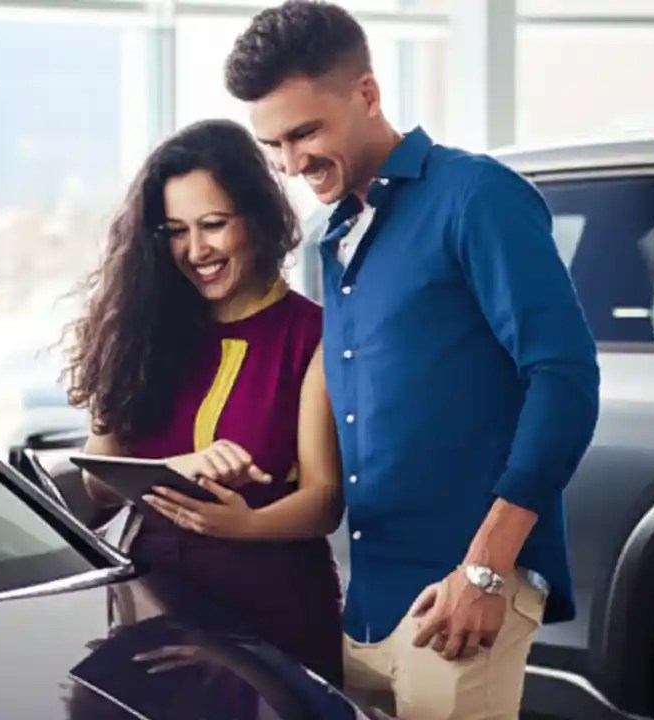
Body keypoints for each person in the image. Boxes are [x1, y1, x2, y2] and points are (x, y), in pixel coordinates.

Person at [224, 2, 602, 717]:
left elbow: (565, 376)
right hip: (363, 597)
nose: (291, 163)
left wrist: (486, 570)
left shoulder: (476, 195)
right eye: (273, 145)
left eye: (305, 132)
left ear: (367, 94)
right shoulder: (331, 237)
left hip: (460, 592)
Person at [63, 118, 346, 689]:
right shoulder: (140, 330)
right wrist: (176, 470)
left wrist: (245, 525)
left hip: (273, 610)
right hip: (154, 608)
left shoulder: (312, 334)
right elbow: (99, 484)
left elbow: (324, 500)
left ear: (258, 218)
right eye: (174, 230)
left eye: (213, 225)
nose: (196, 251)